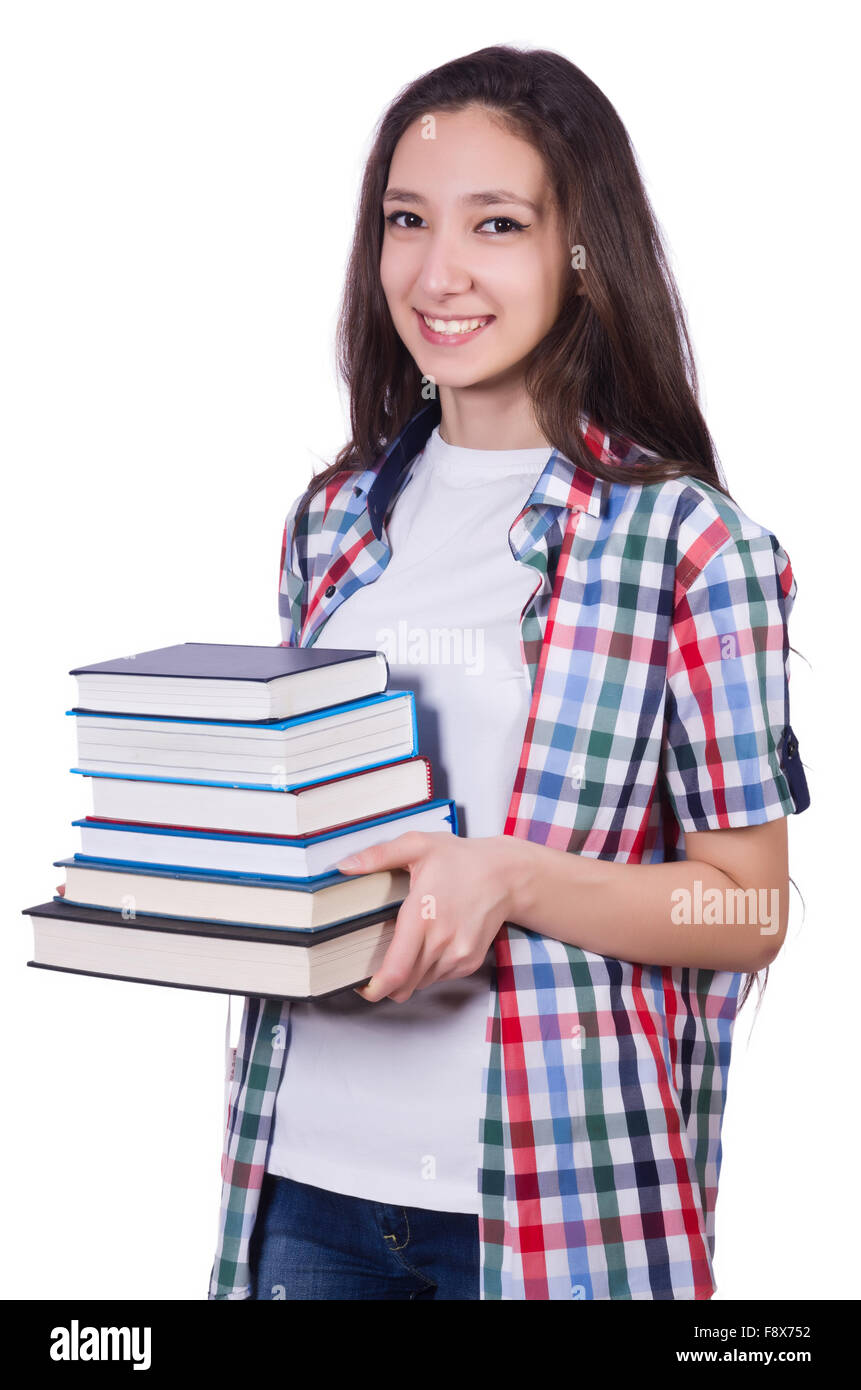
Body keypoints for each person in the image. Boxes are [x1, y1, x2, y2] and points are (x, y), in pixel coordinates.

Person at [209, 44, 810, 1302]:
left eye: (497, 224)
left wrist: (515, 879)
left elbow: (746, 911)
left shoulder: (690, 544)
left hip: (550, 1205)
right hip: (305, 1186)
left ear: (580, 252)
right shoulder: (330, 523)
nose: (439, 273)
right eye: (406, 223)